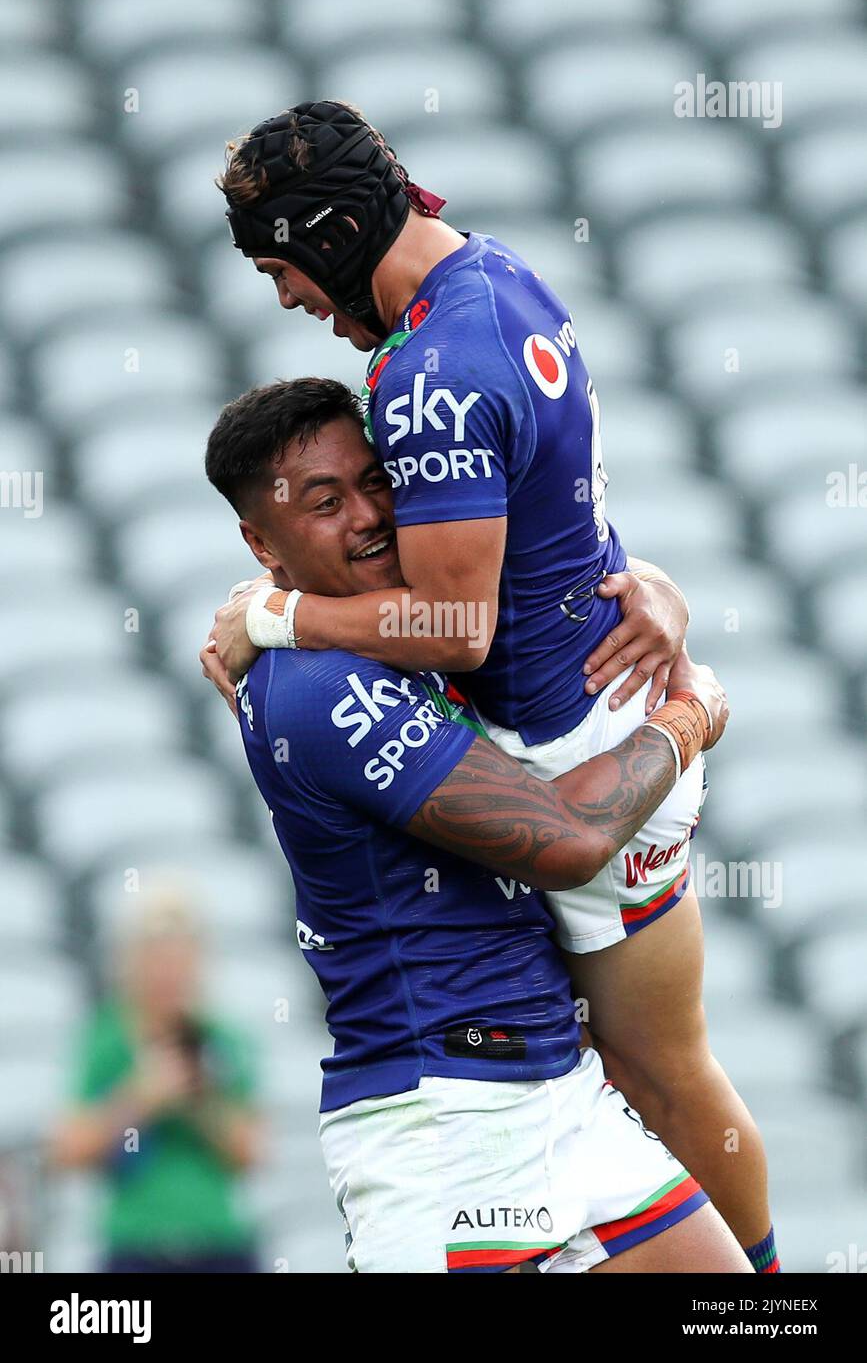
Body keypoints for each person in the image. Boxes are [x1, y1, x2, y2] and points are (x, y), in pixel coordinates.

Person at [201, 101, 778, 1274]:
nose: (289, 302)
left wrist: (277, 613)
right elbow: (554, 524)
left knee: (663, 1077)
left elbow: (460, 626)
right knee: (671, 1072)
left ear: (329, 234)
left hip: (582, 765)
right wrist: (649, 582)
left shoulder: (425, 378)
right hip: (593, 723)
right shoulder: (500, 281)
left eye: (282, 269)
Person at [51, 891, 262, 1273]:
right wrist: (140, 1099)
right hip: (135, 1243)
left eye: (179, 958)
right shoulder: (107, 1039)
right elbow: (69, 1149)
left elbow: (250, 1153)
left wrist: (197, 1098)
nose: (168, 973)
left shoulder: (221, 1039)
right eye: (157, 958)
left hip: (220, 1240)